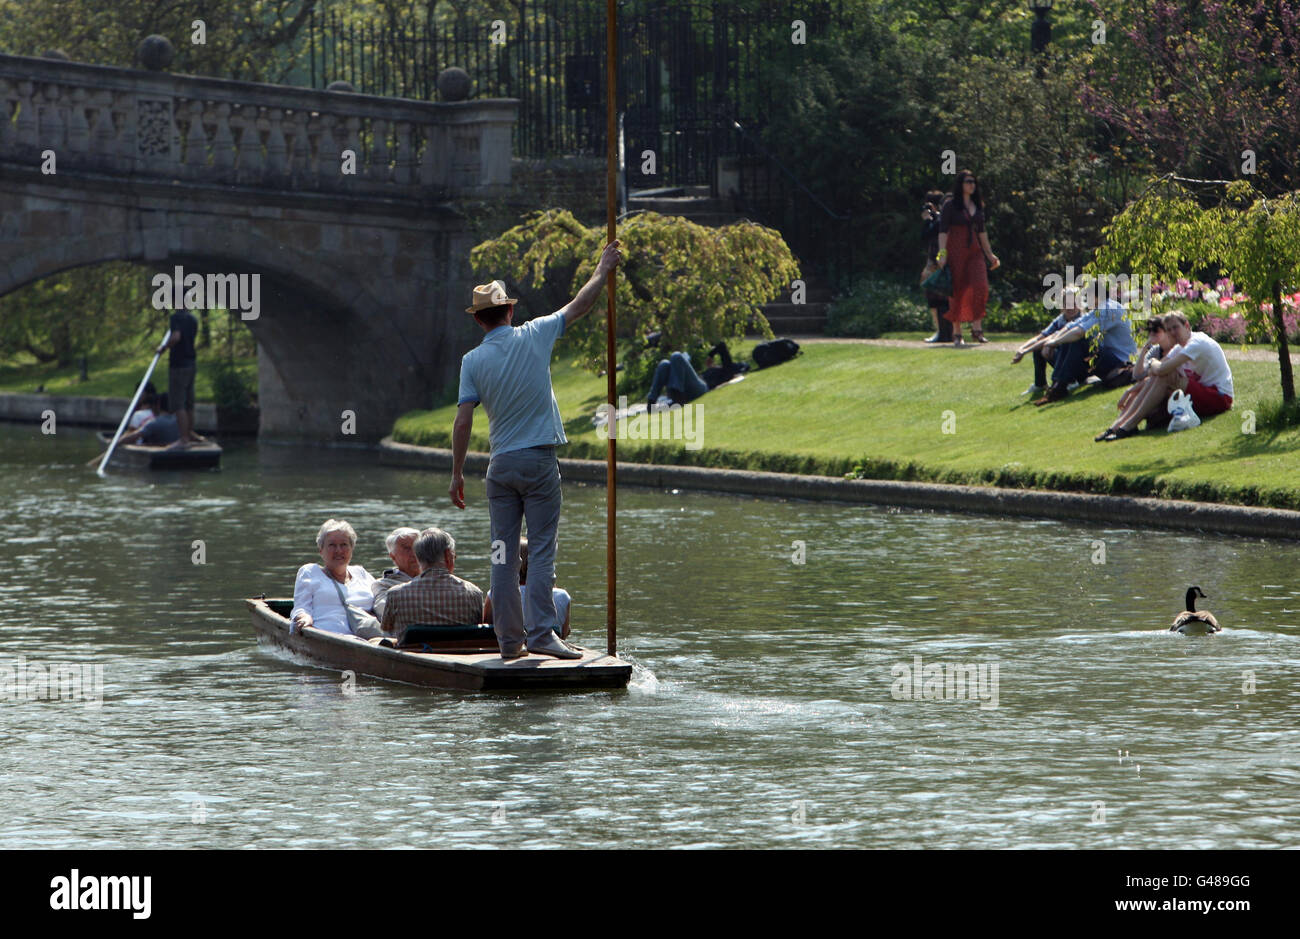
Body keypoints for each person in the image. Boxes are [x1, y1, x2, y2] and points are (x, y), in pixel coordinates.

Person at [451, 241, 621, 660]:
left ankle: (510, 642)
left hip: (500, 466)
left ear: (480, 321)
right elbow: (579, 305)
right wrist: (602, 269)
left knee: (502, 556)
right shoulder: (535, 332)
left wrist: (456, 473)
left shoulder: (471, 361)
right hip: (539, 462)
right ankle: (542, 634)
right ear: (509, 311)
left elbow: (463, 421)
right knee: (541, 549)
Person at [1096, 310, 1233, 441]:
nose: (1172, 333)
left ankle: (1128, 426)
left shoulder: (1197, 342)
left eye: (1175, 328)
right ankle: (1118, 425)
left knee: (1166, 375)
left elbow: (1161, 369)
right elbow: (1147, 373)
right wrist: (1131, 390)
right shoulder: (1178, 347)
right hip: (1198, 394)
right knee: (1154, 383)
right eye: (1169, 330)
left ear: (1186, 325)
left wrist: (1152, 364)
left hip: (1219, 397)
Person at [1011, 287, 1137, 404]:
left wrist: (1054, 342)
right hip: (1107, 359)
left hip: (1121, 364)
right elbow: (1069, 327)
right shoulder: (1097, 310)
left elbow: (1079, 332)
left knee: (1077, 339)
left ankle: (1060, 386)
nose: (1086, 303)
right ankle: (1057, 385)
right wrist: (1042, 345)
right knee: (1062, 340)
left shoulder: (1109, 309)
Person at [379, 527, 485, 639]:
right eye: (454, 556)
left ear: (418, 556)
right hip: (461, 655)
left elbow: (387, 630)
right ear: (448, 556)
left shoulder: (395, 594)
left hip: (414, 654)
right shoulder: (474, 593)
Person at [936, 169, 1000, 345]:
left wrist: (990, 254)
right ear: (961, 185)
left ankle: (977, 328)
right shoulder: (951, 205)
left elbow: (982, 232)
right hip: (955, 250)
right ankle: (957, 333)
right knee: (957, 290)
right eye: (968, 181)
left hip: (974, 251)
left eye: (974, 182)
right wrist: (942, 254)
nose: (972, 185)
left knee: (981, 286)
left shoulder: (977, 205)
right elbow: (943, 231)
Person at [289, 519, 377, 635]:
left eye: (344, 545)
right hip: (329, 637)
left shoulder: (361, 573)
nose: (338, 550)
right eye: (332, 545)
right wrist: (304, 617)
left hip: (368, 637)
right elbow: (301, 607)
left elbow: (381, 601)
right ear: (321, 550)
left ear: (352, 549)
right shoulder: (310, 572)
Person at [483, 536, 571, 640]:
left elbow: (487, 634)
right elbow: (564, 635)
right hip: (547, 653)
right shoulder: (562, 596)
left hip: (511, 650)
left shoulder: (495, 594)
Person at [645, 341, 742, 407]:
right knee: (664, 364)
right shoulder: (712, 370)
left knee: (676, 356)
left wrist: (710, 355)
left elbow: (722, 346)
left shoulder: (727, 371)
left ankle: (678, 398)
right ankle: (651, 401)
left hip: (702, 389)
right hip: (683, 390)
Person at [158, 306, 199, 449]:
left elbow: (176, 337)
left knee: (178, 404)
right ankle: (190, 433)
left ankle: (183, 439)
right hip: (191, 364)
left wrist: (163, 348)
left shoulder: (176, 318)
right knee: (189, 403)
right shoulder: (193, 319)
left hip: (178, 365)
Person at [920, 190, 953, 344]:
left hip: (940, 261)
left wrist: (928, 219)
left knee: (941, 297)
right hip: (936, 260)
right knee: (936, 298)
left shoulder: (942, 220)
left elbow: (928, 233)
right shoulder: (940, 219)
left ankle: (946, 332)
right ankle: (943, 331)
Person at [371, 527, 420, 620]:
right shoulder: (383, 585)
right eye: (407, 548)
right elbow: (385, 611)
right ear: (393, 556)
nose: (414, 553)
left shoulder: (436, 577)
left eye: (417, 547)